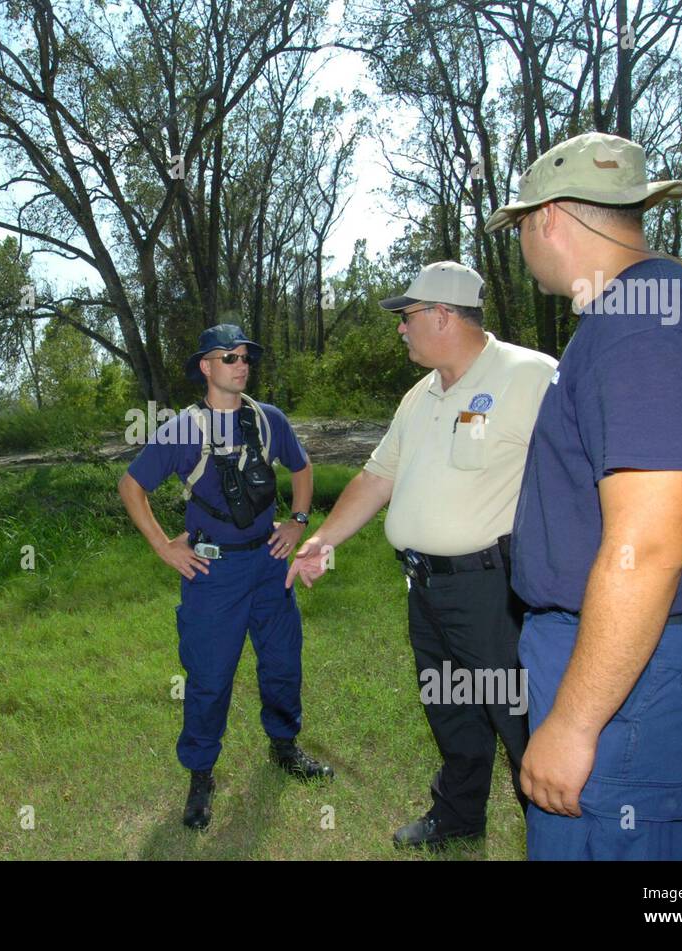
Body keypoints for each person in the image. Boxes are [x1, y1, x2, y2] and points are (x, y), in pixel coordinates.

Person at [483, 131, 682, 860]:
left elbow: (650, 548)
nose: (522, 243)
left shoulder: (643, 323)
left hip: (634, 670)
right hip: (633, 657)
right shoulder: (648, 307)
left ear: (548, 219)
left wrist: (574, 723)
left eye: (520, 229)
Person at [287, 262, 556, 850]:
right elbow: (378, 476)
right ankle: (458, 815)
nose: (402, 330)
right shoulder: (421, 394)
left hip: (495, 590)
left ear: (443, 315)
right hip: (426, 588)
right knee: (450, 708)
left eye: (407, 318)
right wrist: (322, 539)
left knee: (519, 720)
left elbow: (580, 474)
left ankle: (553, 837)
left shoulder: (531, 377)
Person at [118, 323, 333, 831]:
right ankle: (201, 776)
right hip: (212, 572)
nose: (241, 364)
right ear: (206, 367)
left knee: (282, 662)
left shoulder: (268, 420)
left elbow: (301, 470)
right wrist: (162, 545)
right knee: (210, 679)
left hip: (268, 565)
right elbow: (131, 486)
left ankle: (284, 745)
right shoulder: (181, 429)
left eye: (245, 357)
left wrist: (297, 521)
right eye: (229, 357)